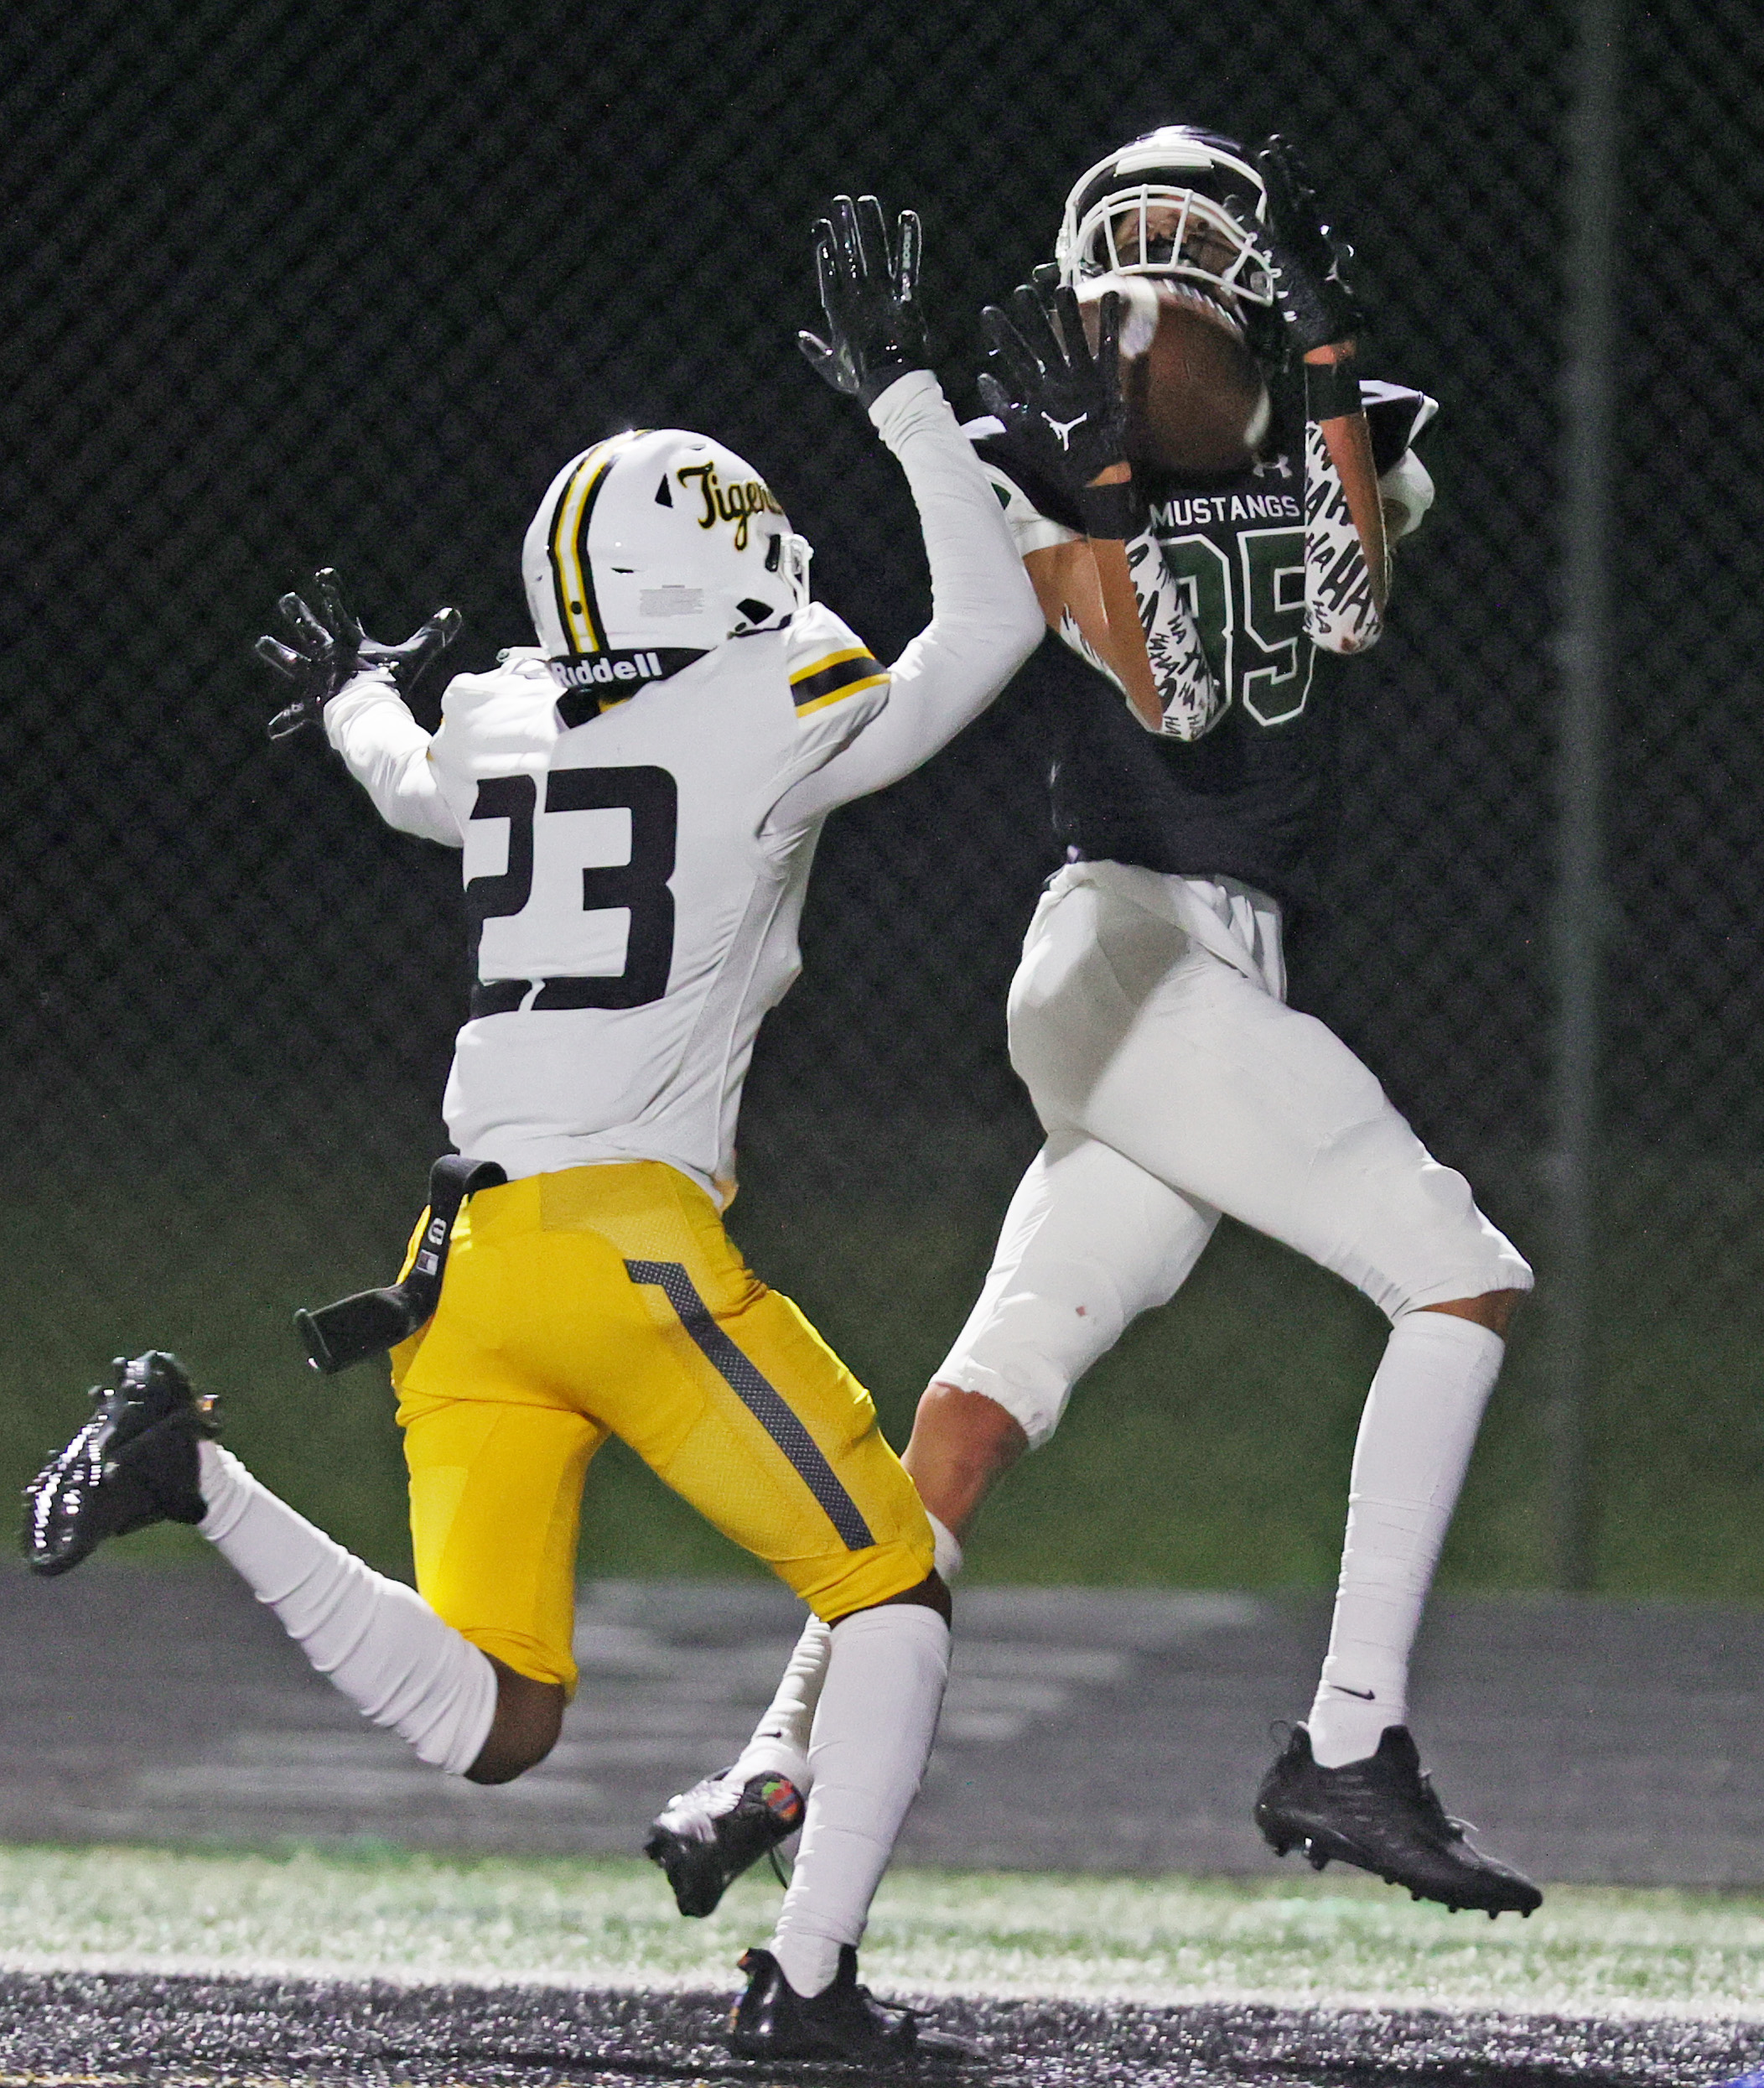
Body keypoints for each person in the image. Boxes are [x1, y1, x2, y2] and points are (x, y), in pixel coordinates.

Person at [22, 195, 1045, 2062]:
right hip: (627, 1250)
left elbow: (413, 783)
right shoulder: (771, 690)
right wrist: (906, 393)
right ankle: (806, 1992)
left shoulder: (499, 712)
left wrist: (348, 695)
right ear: (714, 571)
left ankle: (193, 1475)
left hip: (459, 1268)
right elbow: (985, 624)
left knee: (493, 1712)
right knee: (890, 1589)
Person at [647, 129, 1542, 1922]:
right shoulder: (1034, 462)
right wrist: (1101, 491)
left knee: (974, 1417)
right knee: (1459, 1276)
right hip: (1121, 953)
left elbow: (1348, 610)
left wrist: (1329, 386)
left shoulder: (1340, 429)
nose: (1144, 270)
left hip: (1212, 988)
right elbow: (1173, 693)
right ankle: (1348, 1745)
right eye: (1118, 240)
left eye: (1184, 236)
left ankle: (771, 1760)